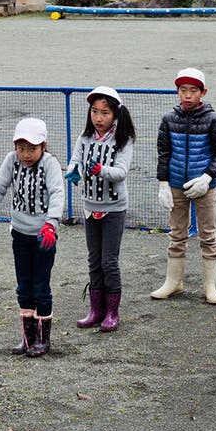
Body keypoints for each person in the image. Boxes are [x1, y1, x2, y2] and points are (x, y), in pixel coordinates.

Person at [0, 117, 65, 357]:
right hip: (20, 233)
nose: (26, 154)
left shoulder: (49, 164)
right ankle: (28, 338)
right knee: (23, 287)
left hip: (43, 236)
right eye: (21, 148)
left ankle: (43, 339)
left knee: (41, 286)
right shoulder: (11, 161)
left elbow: (57, 194)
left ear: (43, 146)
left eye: (32, 148)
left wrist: (51, 224)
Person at [150, 67, 216, 305]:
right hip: (176, 184)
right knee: (177, 233)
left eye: (193, 90)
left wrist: (207, 177)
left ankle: (210, 285)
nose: (187, 95)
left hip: (203, 186)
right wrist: (163, 183)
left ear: (202, 92)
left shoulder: (213, 120)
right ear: (177, 91)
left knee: (208, 233)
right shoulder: (168, 119)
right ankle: (173, 282)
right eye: (183, 90)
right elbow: (164, 153)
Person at [66, 86, 136, 333]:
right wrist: (72, 171)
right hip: (90, 205)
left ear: (115, 114)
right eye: (94, 111)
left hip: (114, 208)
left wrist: (100, 171)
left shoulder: (123, 140)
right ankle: (95, 310)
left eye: (104, 113)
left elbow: (121, 172)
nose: (98, 117)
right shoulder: (84, 138)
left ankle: (112, 312)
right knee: (94, 260)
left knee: (109, 261)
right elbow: (75, 160)